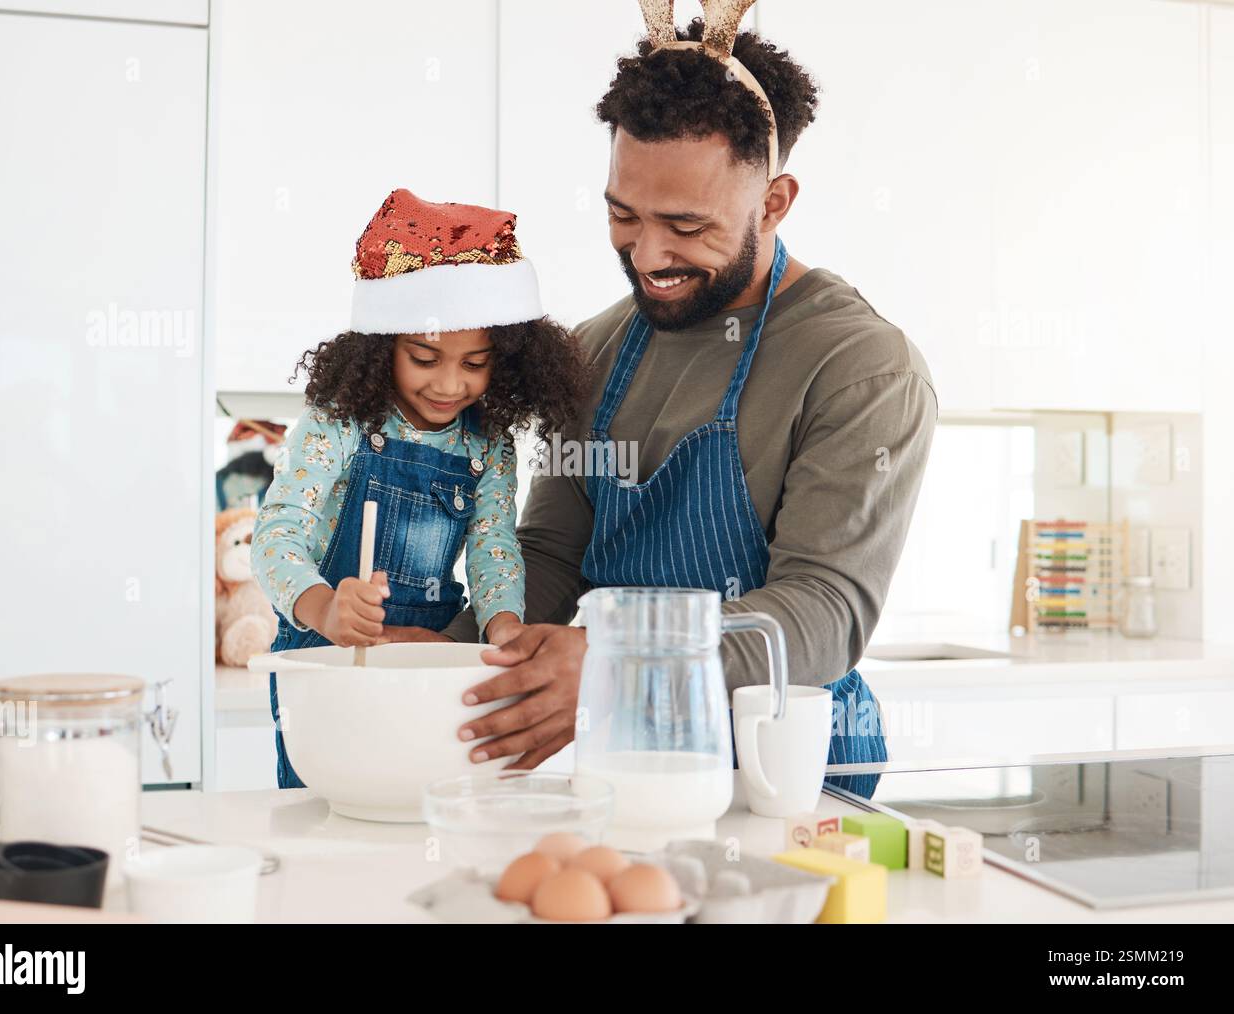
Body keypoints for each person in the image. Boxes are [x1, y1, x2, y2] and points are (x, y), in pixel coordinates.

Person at [399, 14, 939, 799]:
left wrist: (622, 668)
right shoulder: (591, 351)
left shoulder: (859, 367)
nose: (648, 257)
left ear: (775, 201)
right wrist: (450, 659)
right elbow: (551, 553)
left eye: (687, 226)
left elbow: (823, 614)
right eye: (625, 216)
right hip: (628, 756)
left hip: (783, 770)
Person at [252, 189, 588, 788]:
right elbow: (276, 536)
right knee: (329, 809)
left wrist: (503, 625)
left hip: (429, 659)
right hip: (324, 659)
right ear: (382, 347)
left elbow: (493, 548)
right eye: (425, 358)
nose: (451, 384)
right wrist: (325, 607)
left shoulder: (488, 443)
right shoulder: (339, 424)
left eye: (475, 363)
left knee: (421, 808)